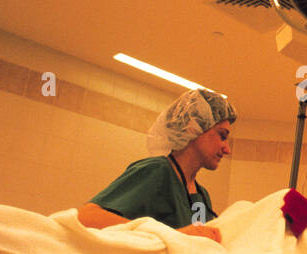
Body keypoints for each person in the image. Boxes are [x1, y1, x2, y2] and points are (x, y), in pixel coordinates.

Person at [77, 88, 235, 242]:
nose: (227, 149)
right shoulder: (158, 172)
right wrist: (171, 236)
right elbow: (87, 217)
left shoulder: (201, 197)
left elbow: (195, 242)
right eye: (222, 136)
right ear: (193, 128)